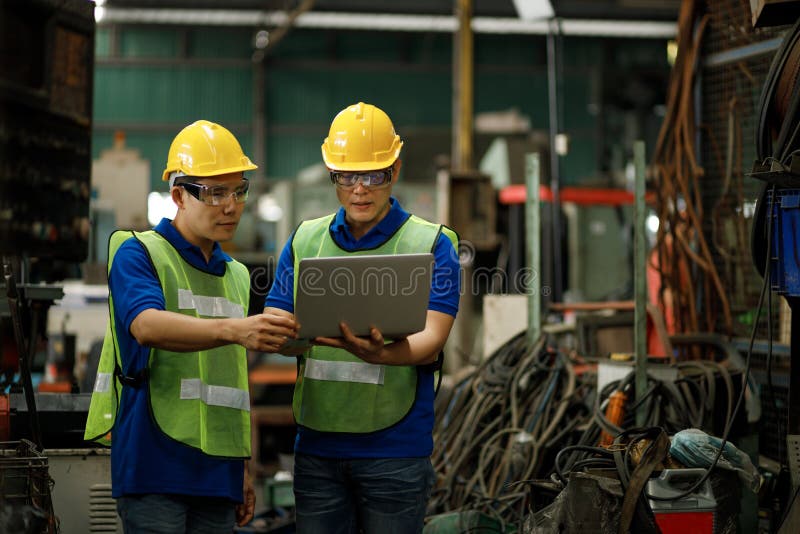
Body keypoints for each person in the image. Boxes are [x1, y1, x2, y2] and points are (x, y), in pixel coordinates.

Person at [85, 120, 301, 533]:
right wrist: (235, 330)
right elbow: (146, 326)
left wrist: (243, 466)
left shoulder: (236, 274)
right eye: (215, 192)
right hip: (154, 465)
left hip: (217, 476)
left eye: (238, 190)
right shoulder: (138, 253)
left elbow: (232, 381)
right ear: (179, 195)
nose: (231, 205)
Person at [264, 102, 461, 534]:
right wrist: (287, 335)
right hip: (318, 448)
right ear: (331, 175)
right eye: (347, 176)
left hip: (395, 449)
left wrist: (381, 355)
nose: (360, 190)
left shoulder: (432, 244)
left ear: (395, 170)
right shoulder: (304, 240)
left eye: (374, 175)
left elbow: (433, 338)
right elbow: (274, 321)